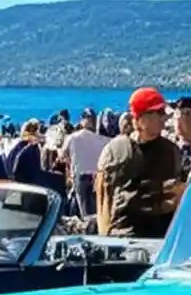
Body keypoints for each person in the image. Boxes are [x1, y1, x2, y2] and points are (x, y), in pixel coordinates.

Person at [95, 87, 183, 238]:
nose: (164, 117)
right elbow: (104, 197)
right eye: (159, 113)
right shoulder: (117, 150)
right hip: (125, 236)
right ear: (141, 119)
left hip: (161, 236)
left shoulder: (171, 151)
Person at [61, 108, 109, 216]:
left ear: (82, 120)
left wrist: (70, 163)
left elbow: (62, 156)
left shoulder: (72, 137)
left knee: (83, 211)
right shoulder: (103, 140)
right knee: (97, 210)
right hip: (96, 177)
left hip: (80, 176)